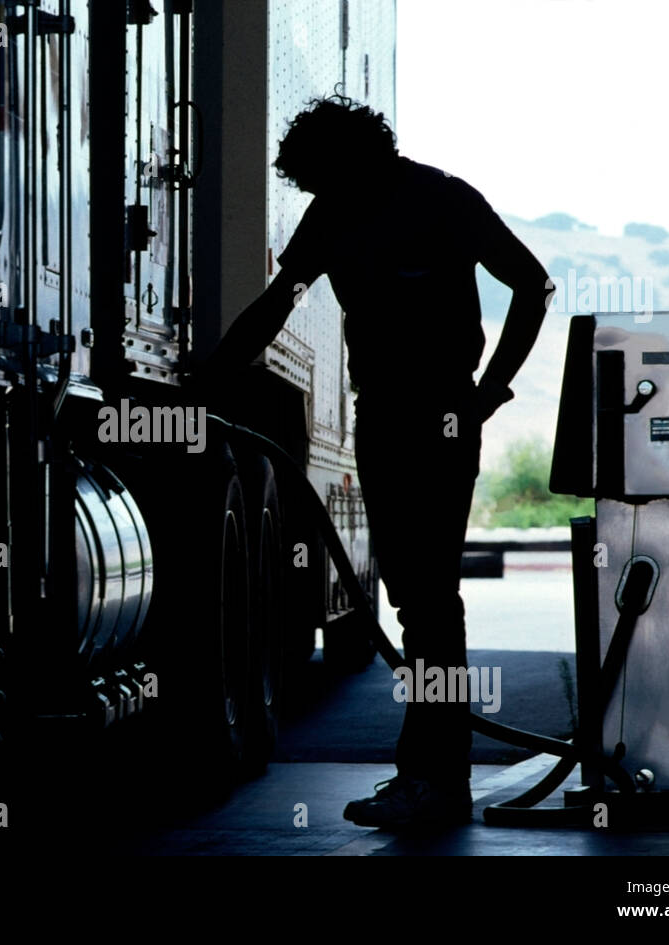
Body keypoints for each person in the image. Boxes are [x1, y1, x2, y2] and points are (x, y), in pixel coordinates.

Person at [198, 95, 551, 830]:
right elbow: (278, 301)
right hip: (381, 416)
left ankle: (435, 778)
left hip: (443, 416)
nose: (321, 195)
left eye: (325, 176)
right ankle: (429, 775)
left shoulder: (444, 199)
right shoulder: (334, 211)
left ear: (356, 157)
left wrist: (489, 392)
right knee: (416, 600)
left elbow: (533, 281)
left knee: (428, 602)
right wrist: (209, 381)